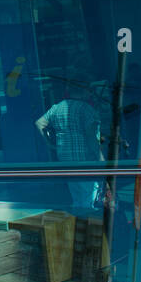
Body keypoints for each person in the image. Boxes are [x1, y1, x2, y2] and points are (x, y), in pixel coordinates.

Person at [34, 72, 103, 211]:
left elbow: (39, 123)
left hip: (65, 159)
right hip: (85, 160)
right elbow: (91, 137)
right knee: (88, 197)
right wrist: (100, 158)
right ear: (85, 90)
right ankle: (86, 223)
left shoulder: (57, 107)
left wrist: (49, 143)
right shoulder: (86, 109)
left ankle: (78, 222)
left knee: (76, 196)